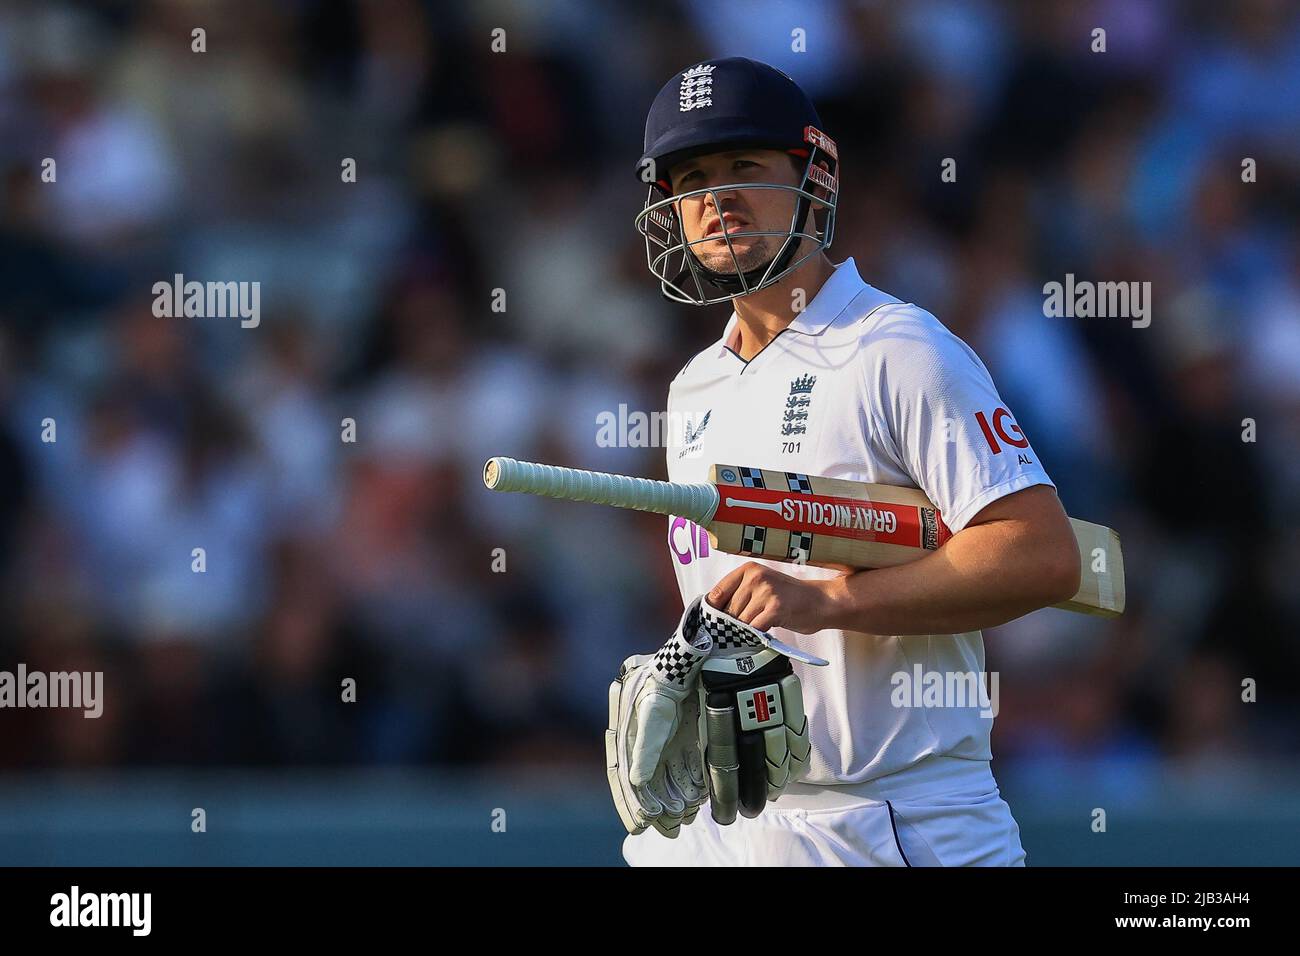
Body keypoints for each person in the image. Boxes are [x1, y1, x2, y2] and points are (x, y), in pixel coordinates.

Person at [620, 57, 1080, 866]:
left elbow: (1041, 555)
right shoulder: (692, 388)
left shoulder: (898, 350)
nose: (715, 196)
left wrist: (826, 601)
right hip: (732, 825)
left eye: (743, 166)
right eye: (691, 177)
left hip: (895, 819)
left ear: (814, 179)